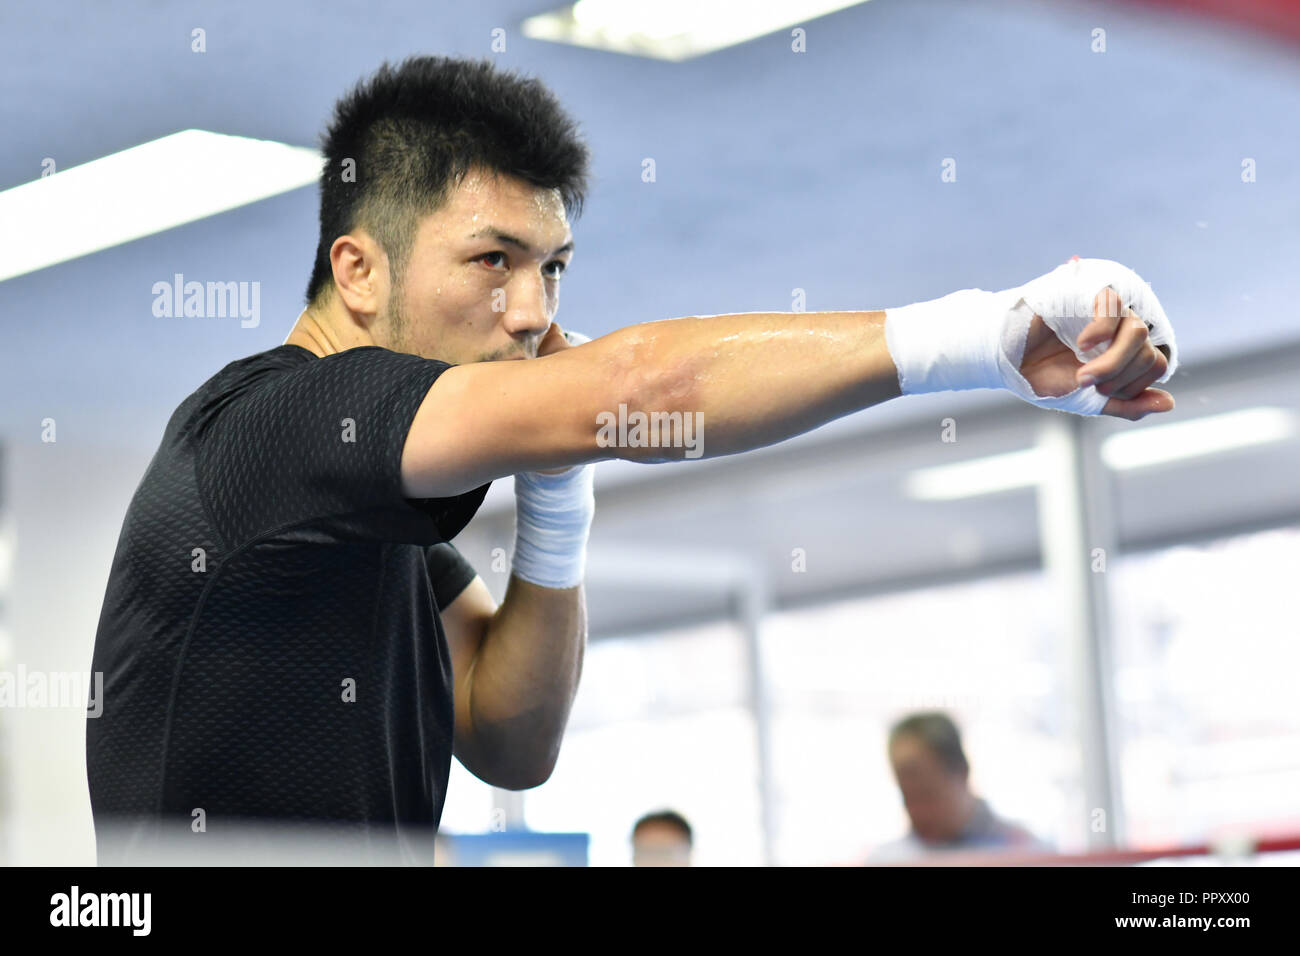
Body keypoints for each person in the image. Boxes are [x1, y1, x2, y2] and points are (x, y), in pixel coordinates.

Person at [86, 54, 1178, 865]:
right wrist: (978, 334)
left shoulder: (368, 525)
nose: (531, 309)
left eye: (553, 266)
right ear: (357, 269)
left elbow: (511, 739)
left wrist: (557, 491)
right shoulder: (274, 423)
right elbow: (640, 390)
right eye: (492, 260)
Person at [868, 713, 1050, 863]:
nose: (918, 812)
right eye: (907, 797)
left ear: (962, 771)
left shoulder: (1027, 853)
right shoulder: (887, 860)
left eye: (927, 795)